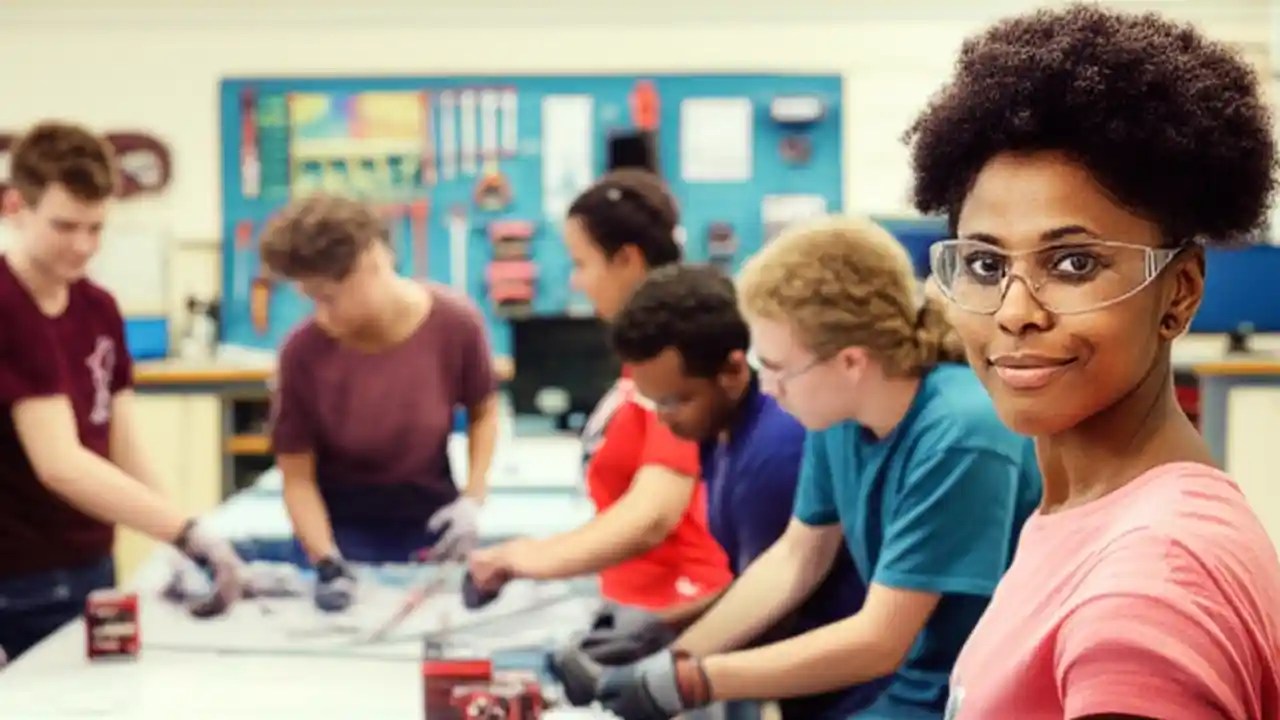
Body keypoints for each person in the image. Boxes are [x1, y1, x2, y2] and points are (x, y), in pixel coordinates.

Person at [903, 5, 1280, 718]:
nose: (1015, 310)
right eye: (984, 262)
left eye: (1073, 262)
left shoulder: (1150, 589)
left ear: (1180, 291)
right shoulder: (1085, 512)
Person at [588, 216, 1043, 720]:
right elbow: (796, 559)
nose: (767, 389)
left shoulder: (961, 433)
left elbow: (879, 640)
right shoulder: (839, 416)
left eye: (780, 369)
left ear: (851, 362)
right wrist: (670, 654)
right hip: (908, 690)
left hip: (981, 699)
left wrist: (697, 679)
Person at [575, 263, 888, 718]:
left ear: (733, 370)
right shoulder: (716, 432)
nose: (663, 418)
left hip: (854, 694)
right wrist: (659, 629)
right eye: (653, 402)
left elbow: (773, 610)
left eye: (677, 400)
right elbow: (751, 587)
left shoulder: (774, 452)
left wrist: (664, 662)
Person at [0, 121, 244, 662]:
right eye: (64, 226)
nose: (83, 245)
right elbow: (59, 463)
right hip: (11, 582)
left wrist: (174, 544)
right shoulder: (7, 306)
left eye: (95, 227)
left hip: (89, 565)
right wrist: (187, 533)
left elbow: (122, 444)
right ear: (15, 206)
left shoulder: (99, 309)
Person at [467, 170, 732, 612]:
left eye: (580, 263)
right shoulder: (641, 360)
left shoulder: (674, 357)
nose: (574, 282)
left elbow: (654, 513)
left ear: (626, 259)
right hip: (637, 603)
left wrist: (526, 558)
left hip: (677, 608)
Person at [262, 193, 500, 611]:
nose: (322, 314)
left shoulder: (455, 324)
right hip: (338, 537)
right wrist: (327, 562)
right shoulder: (302, 353)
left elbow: (483, 411)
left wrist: (472, 499)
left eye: (329, 297)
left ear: (372, 262)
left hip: (435, 530)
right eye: (312, 299)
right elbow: (297, 477)